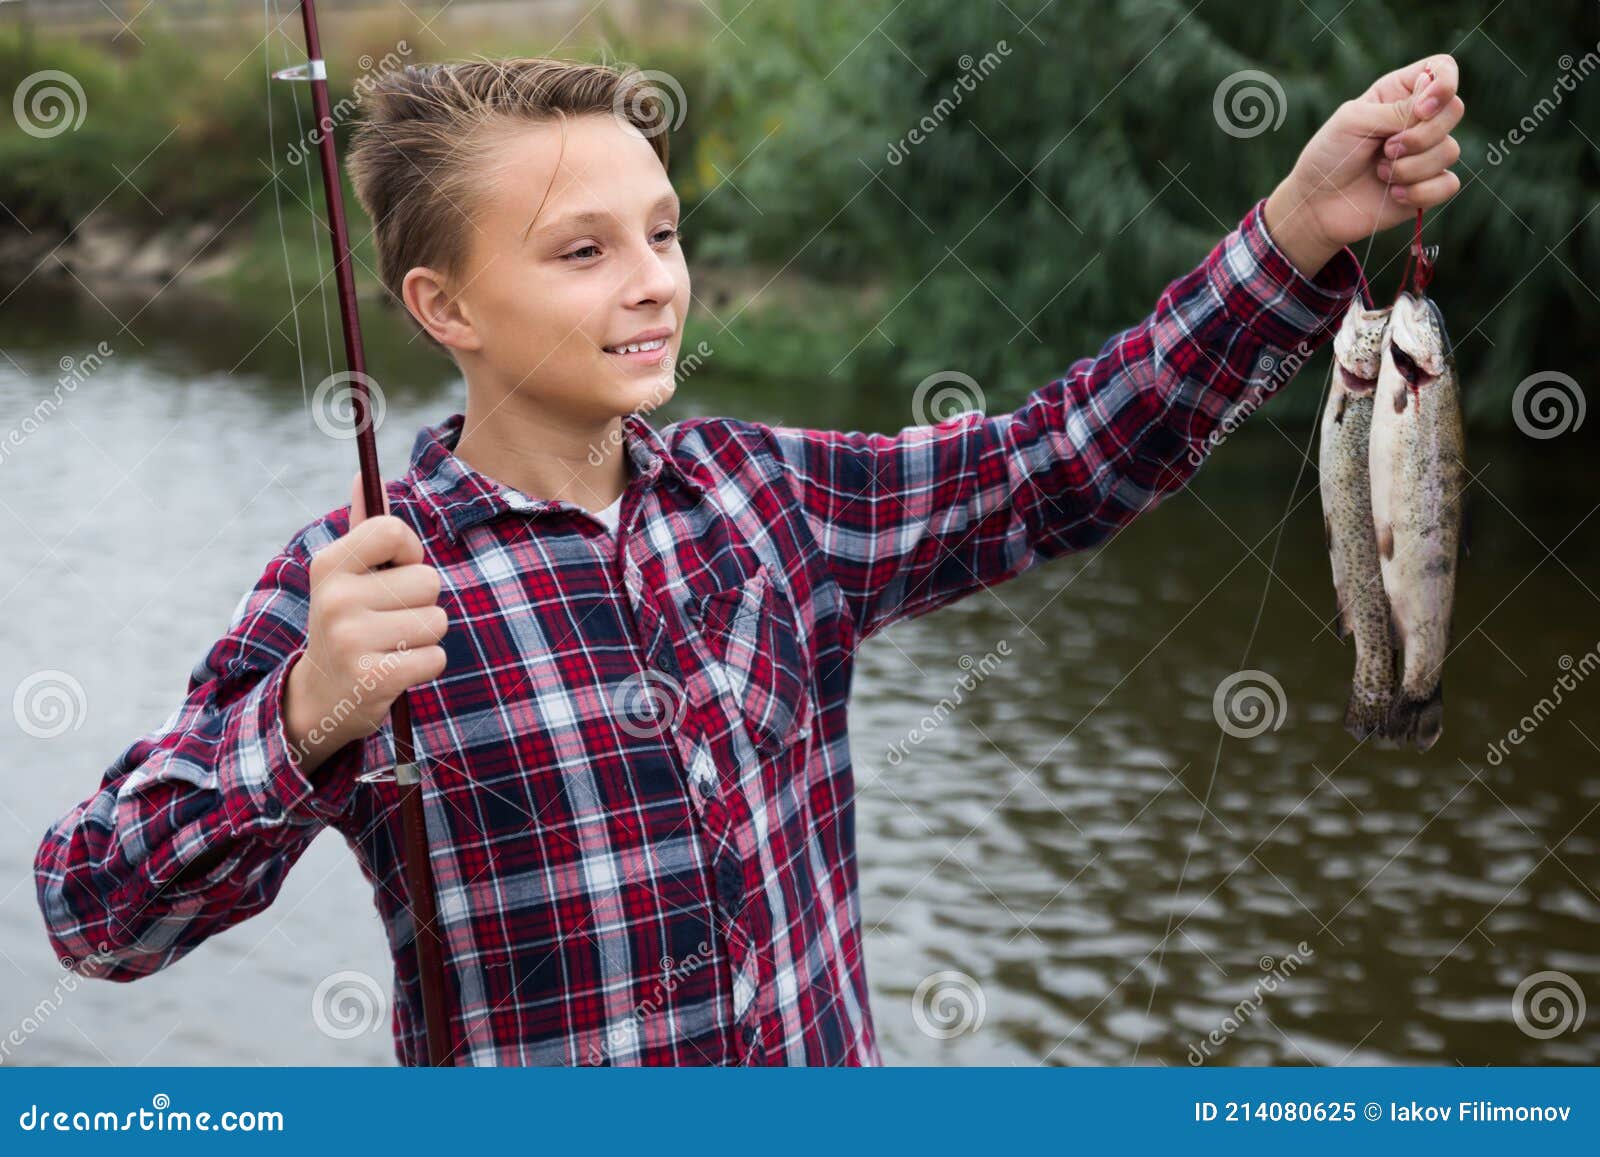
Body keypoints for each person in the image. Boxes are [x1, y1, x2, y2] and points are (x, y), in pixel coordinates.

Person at [34, 54, 1464, 1066]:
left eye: (661, 232)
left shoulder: (767, 499)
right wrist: (302, 721)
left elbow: (1061, 460)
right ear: (443, 303)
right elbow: (97, 913)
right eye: (580, 251)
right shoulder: (357, 590)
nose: (653, 277)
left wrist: (1295, 232)